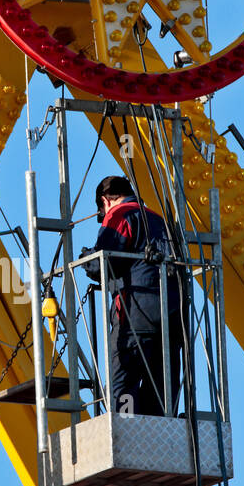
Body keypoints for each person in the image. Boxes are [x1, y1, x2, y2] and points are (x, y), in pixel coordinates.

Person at [86, 174, 184, 416]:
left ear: (104, 202)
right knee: (162, 393)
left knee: (123, 387)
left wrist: (87, 259)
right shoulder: (161, 221)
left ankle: (124, 431)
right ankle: (158, 438)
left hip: (134, 317)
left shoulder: (119, 215)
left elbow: (104, 263)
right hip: (171, 319)